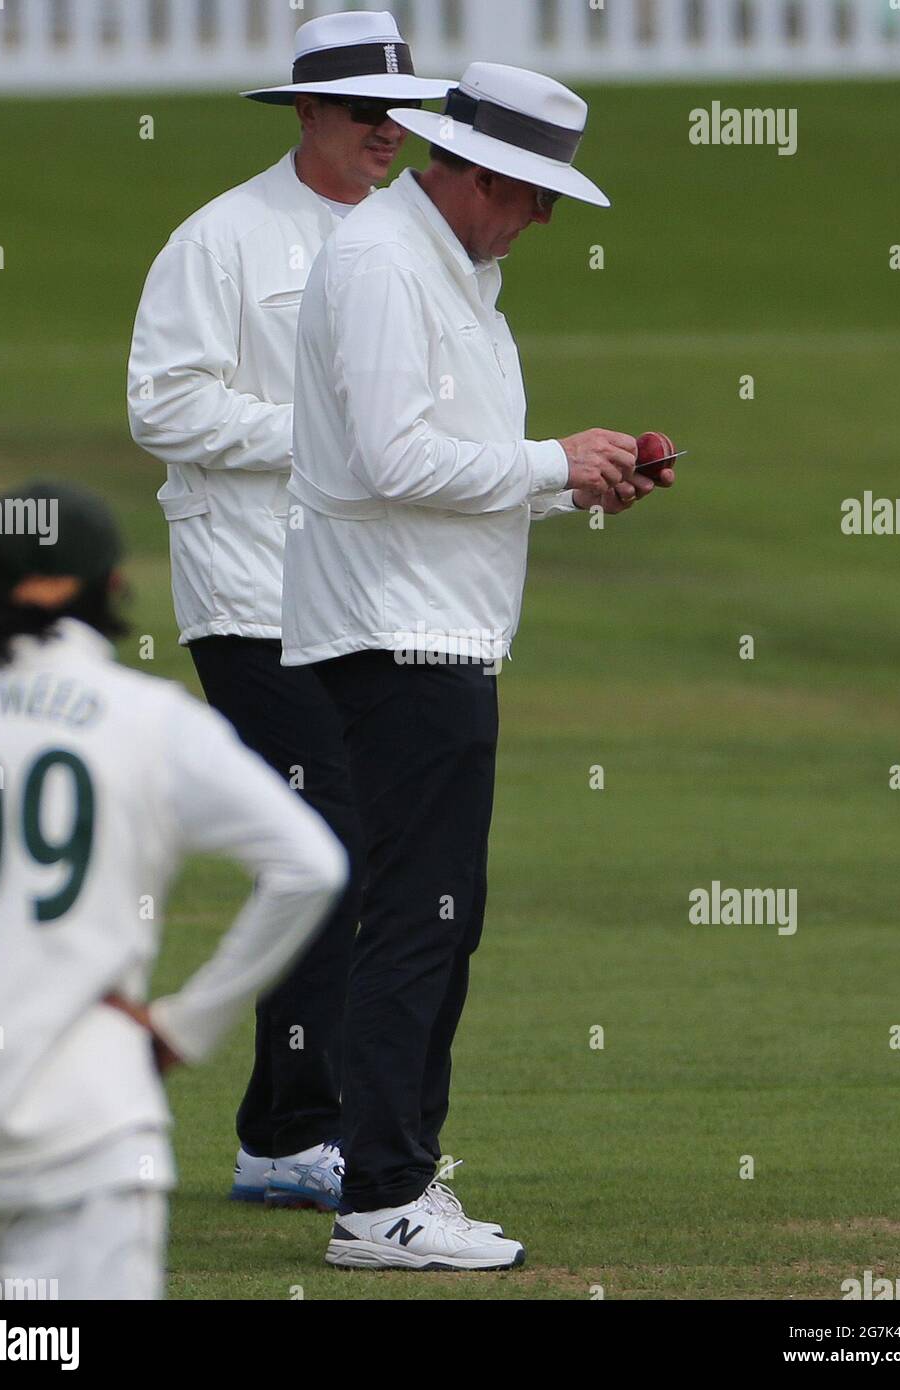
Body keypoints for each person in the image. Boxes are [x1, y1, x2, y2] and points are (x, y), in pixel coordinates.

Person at [281, 62, 676, 1270]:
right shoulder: (385, 263)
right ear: (482, 175)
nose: (543, 219)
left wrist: (578, 481)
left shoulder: (452, 270)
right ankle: (382, 1198)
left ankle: (395, 1180)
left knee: (438, 918)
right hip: (397, 634)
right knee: (417, 918)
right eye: (535, 194)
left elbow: (459, 473)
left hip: (434, 626)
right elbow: (398, 461)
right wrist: (554, 461)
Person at [126, 12, 451, 1210]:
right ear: (305, 112)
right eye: (363, 109)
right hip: (252, 592)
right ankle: (288, 1133)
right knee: (332, 847)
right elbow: (160, 404)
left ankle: (303, 1130)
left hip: (378, 595)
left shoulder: (425, 243)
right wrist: (317, 440)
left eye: (399, 110)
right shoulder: (222, 238)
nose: (385, 131)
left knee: (380, 855)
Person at [0, 482, 347, 1300]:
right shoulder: (150, 717)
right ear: (112, 588)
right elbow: (312, 865)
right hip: (92, 1122)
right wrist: (185, 1026)